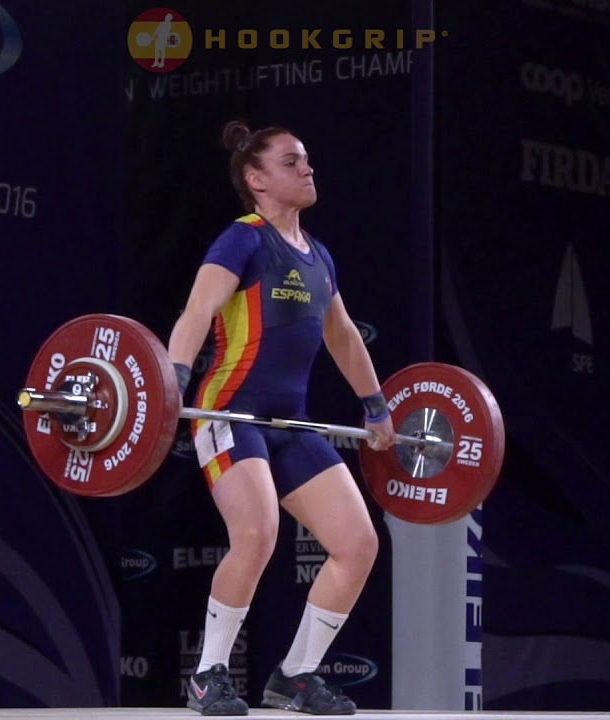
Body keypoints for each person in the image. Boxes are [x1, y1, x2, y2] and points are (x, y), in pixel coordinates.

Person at [166, 119, 398, 716]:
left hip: (289, 421)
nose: (307, 169)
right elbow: (197, 310)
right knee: (257, 533)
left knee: (358, 542)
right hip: (229, 409)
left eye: (307, 160)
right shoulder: (242, 240)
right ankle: (208, 673)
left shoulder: (319, 256)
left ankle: (294, 677)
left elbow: (343, 337)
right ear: (256, 178)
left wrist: (375, 407)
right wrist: (172, 381)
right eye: (292, 162)